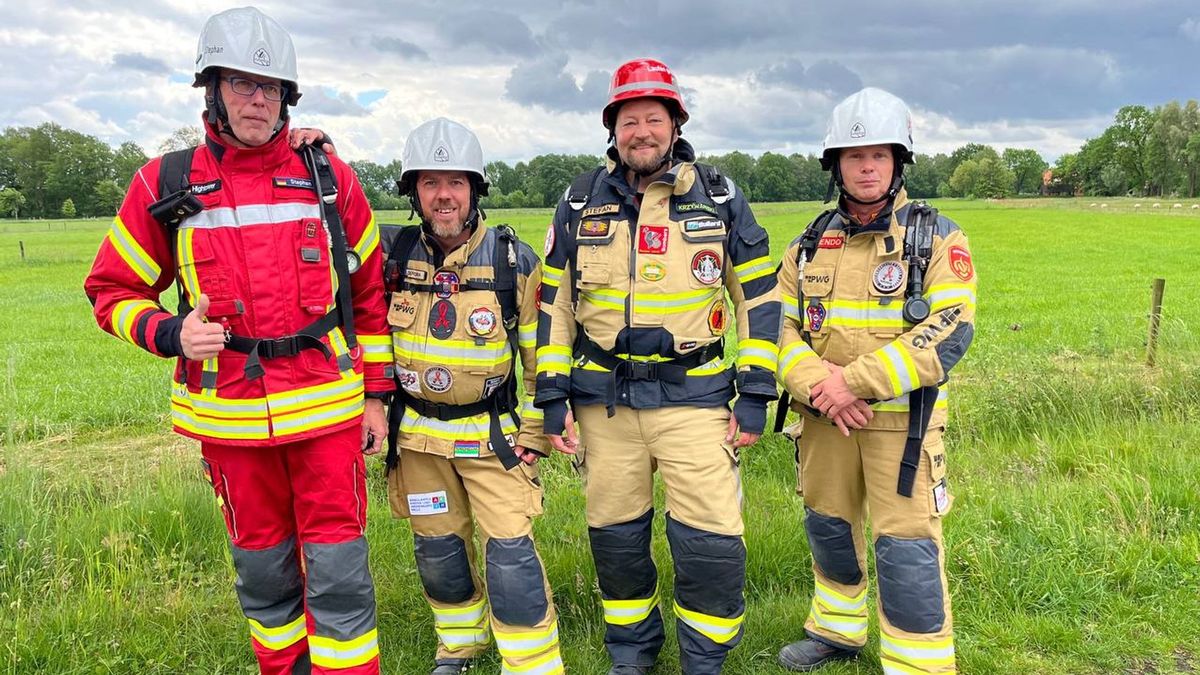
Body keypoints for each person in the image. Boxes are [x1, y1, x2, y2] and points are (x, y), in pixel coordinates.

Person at [83, 7, 392, 674]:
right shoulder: (165, 184)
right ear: (212, 89)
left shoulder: (329, 177)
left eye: (271, 86)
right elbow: (111, 292)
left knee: (339, 577)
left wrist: (375, 399)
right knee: (265, 578)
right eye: (243, 84)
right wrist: (170, 330)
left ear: (288, 97)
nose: (258, 99)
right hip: (230, 426)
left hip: (328, 419)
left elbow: (370, 297)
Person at [534, 58, 781, 675]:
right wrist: (552, 396)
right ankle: (632, 656)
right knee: (616, 541)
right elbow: (553, 305)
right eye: (628, 120)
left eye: (653, 118)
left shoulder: (719, 198)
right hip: (605, 405)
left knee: (710, 542)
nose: (641, 131)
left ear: (675, 124)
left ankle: (705, 660)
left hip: (694, 403)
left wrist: (754, 391)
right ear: (611, 128)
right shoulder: (578, 202)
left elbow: (758, 300)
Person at [773, 87, 976, 673]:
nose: (866, 167)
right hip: (823, 422)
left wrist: (852, 384)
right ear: (835, 165)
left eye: (879, 156)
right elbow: (778, 332)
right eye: (854, 155)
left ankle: (919, 664)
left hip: (901, 429)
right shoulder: (807, 245)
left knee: (907, 548)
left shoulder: (938, 237)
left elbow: (951, 327)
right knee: (829, 527)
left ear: (898, 162)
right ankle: (837, 631)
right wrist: (819, 387)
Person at [380, 117, 563, 675]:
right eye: (431, 183)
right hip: (418, 443)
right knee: (439, 552)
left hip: (494, 442)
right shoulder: (391, 256)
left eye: (455, 182)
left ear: (475, 189)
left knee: (510, 555)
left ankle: (530, 664)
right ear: (414, 192)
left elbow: (541, 357)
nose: (443, 196)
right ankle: (461, 644)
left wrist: (535, 431)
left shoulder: (513, 261)